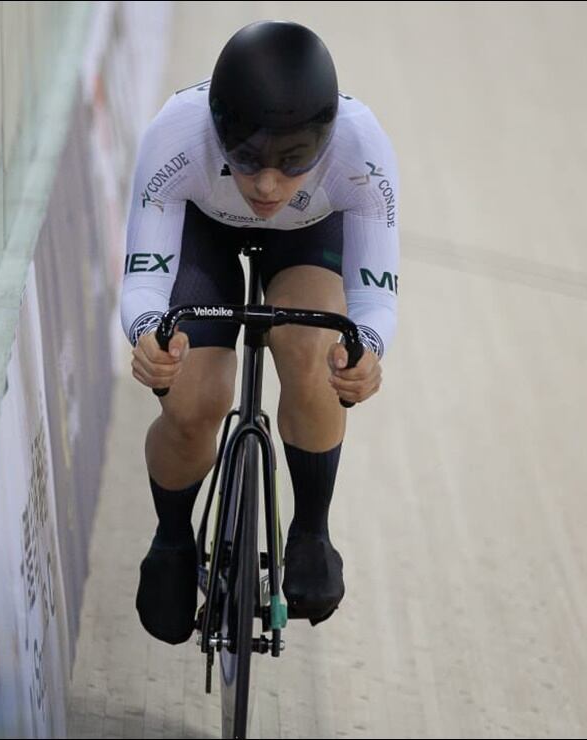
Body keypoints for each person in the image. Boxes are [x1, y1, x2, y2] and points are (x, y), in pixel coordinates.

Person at [120, 20, 400, 644]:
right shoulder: (176, 135)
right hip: (202, 228)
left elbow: (372, 297)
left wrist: (367, 353)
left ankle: (312, 528)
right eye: (244, 158)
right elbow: (144, 283)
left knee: (319, 353)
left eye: (294, 160)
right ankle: (172, 537)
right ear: (217, 131)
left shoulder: (361, 148)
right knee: (195, 399)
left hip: (309, 234)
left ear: (326, 141)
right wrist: (147, 336)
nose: (267, 185)